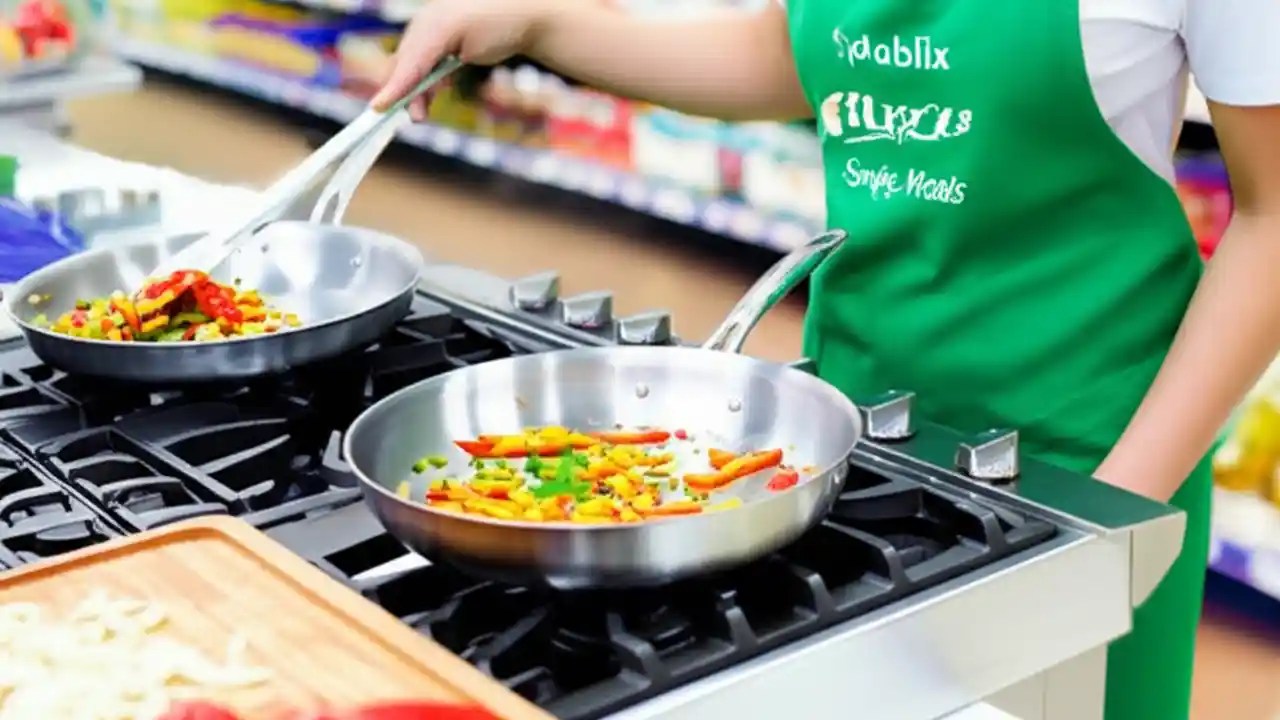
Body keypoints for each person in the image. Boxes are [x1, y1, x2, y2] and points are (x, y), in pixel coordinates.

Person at [372, 1, 1280, 717]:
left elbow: (1273, 214)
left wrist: (1113, 516)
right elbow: (789, 52)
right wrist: (544, 23)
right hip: (847, 453)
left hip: (1091, 459)